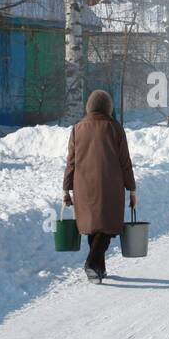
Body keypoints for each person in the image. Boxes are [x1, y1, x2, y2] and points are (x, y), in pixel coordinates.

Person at [63, 90, 137, 282]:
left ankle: (99, 270)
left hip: (83, 187)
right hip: (110, 186)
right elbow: (124, 161)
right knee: (107, 227)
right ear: (108, 107)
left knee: (94, 226)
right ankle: (92, 263)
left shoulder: (77, 128)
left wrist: (66, 189)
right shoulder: (115, 127)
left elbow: (71, 161)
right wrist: (132, 188)